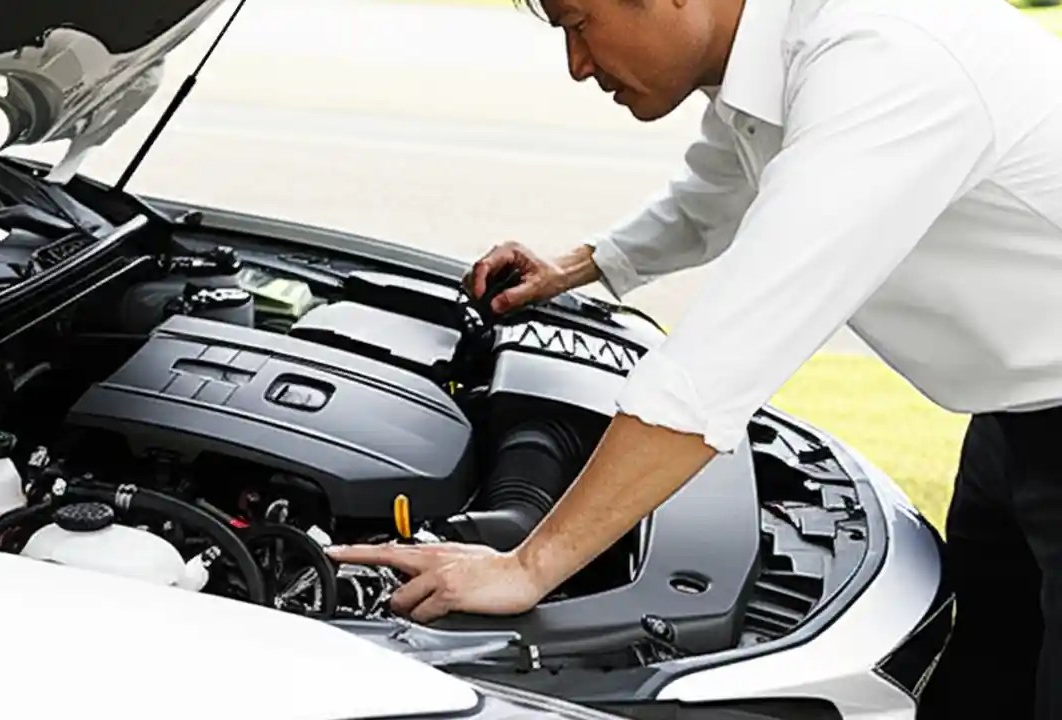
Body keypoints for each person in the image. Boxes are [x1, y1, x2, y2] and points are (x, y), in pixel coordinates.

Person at [326, 0, 1062, 716]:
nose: (578, 65)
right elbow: (715, 192)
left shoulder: (883, 64)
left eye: (580, 24)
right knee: (984, 677)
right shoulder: (772, 52)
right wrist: (578, 267)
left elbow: (721, 361)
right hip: (1016, 417)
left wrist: (528, 568)